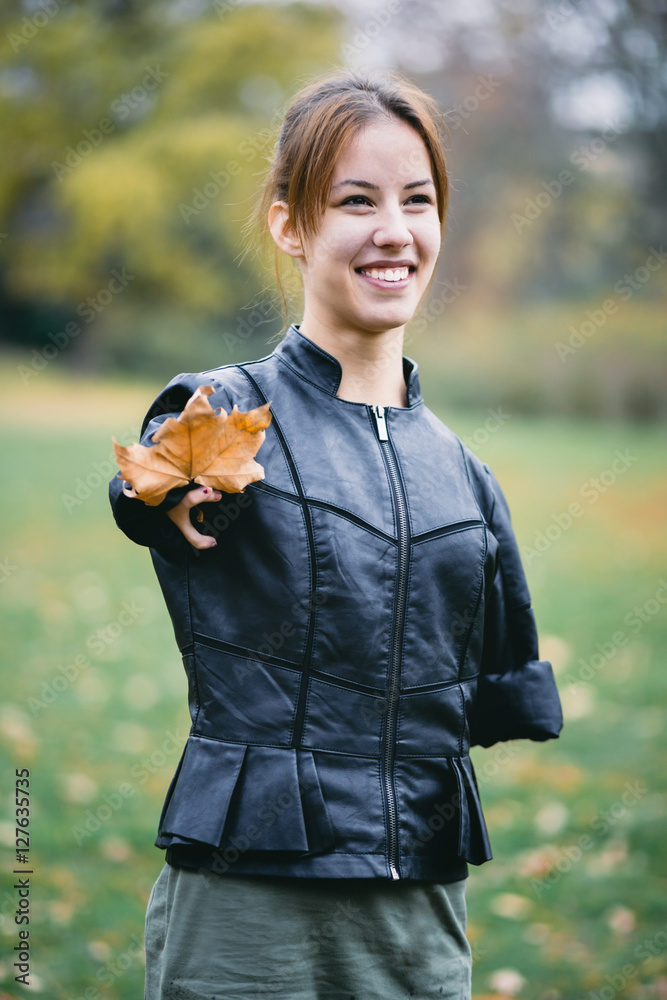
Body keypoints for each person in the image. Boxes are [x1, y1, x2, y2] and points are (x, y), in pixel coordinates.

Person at [109, 70, 563, 1000]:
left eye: (418, 200)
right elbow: (144, 485)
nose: (394, 229)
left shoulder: (465, 474)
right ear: (291, 225)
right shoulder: (230, 412)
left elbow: (494, 677)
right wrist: (170, 500)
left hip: (418, 920)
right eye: (356, 201)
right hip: (250, 906)